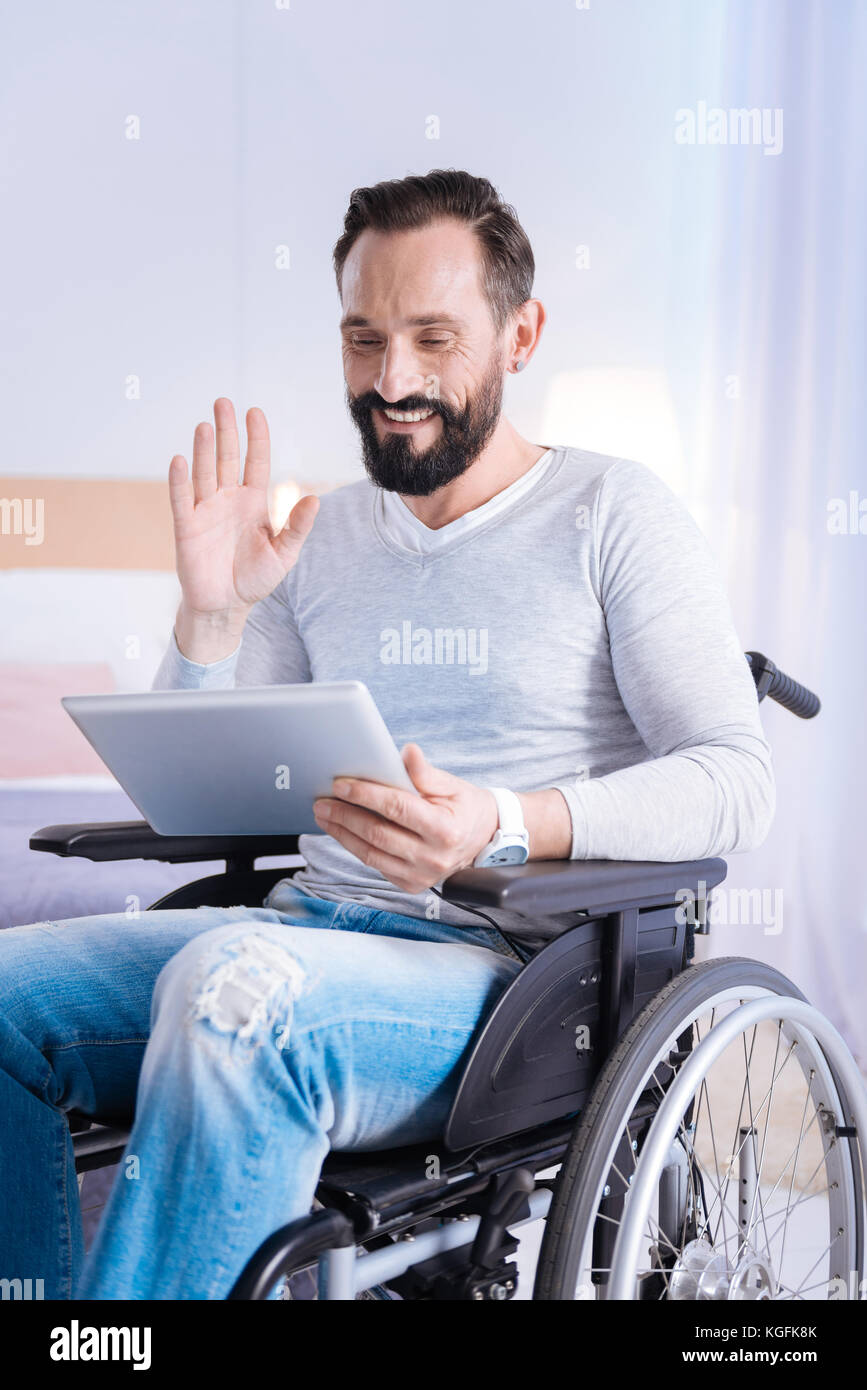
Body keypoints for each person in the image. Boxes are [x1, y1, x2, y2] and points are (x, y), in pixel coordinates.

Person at [0, 169, 774, 1299]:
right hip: (303, 929)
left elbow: (736, 778)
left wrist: (505, 826)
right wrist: (212, 618)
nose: (391, 380)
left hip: (502, 977)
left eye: (432, 337)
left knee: (233, 992)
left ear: (522, 334)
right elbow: (211, 794)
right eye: (363, 339)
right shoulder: (321, 533)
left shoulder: (615, 513)